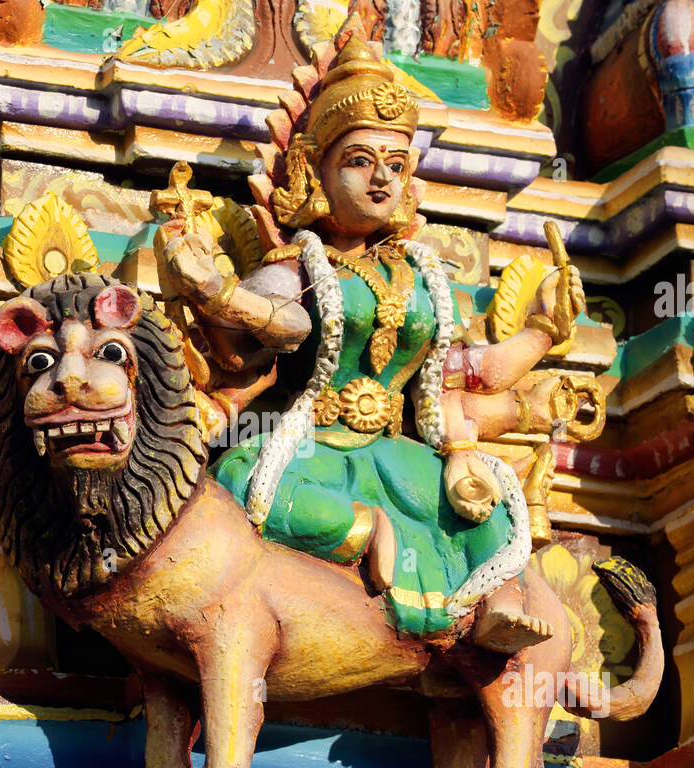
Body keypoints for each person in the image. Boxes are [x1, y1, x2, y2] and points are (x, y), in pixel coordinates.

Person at [159, 36, 582, 651]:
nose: (382, 178)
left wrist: (545, 329)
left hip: (396, 452)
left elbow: (471, 373)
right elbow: (263, 336)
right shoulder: (298, 266)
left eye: (397, 163)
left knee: (476, 504)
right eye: (360, 160)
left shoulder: (423, 276)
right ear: (314, 170)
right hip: (311, 446)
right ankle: (362, 537)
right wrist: (208, 289)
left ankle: (485, 613)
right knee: (260, 494)